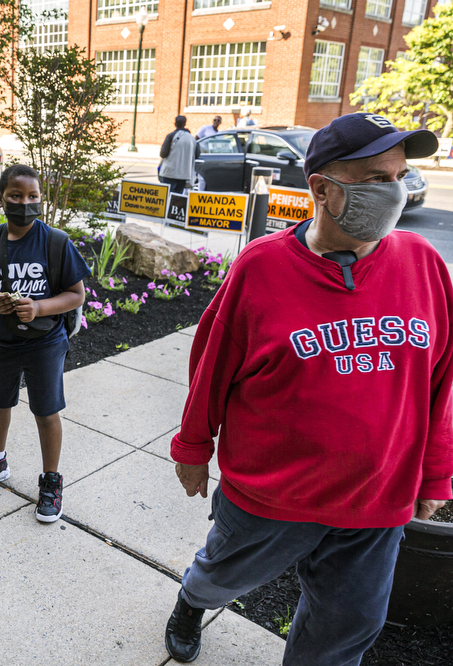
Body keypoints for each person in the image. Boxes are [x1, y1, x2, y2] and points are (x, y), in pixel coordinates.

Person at [163, 112, 451, 665]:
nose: (394, 192)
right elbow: (211, 368)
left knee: (348, 629)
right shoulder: (261, 268)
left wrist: (435, 472)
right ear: (321, 188)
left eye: (399, 176)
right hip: (273, 497)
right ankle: (192, 602)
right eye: (374, 179)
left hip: (378, 499)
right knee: (219, 576)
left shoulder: (423, 264)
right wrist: (193, 449)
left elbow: (441, 380)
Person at [0, 164, 90, 522]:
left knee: (46, 411)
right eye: (16, 196)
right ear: (1, 198)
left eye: (32, 196)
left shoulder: (55, 242)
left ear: (41, 200)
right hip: (1, 340)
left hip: (45, 342)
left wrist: (39, 307)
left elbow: (76, 294)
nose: (24, 202)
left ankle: (51, 480)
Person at [159, 115, 198, 194]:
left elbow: (163, 153)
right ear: (185, 124)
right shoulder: (192, 138)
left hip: (169, 173)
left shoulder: (171, 136)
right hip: (183, 174)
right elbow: (197, 154)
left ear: (175, 123)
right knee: (177, 198)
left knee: (166, 196)